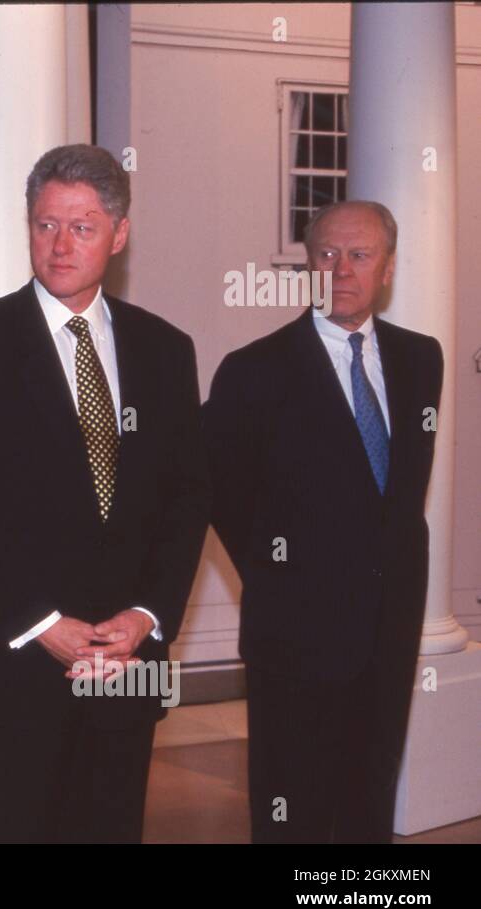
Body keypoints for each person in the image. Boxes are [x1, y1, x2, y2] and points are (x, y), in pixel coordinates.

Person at [0, 144, 211, 843]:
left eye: (81, 226)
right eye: (45, 224)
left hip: (124, 669)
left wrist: (147, 615)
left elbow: (186, 498)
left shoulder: (165, 350)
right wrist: (40, 621)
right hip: (13, 661)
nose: (59, 244)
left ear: (119, 233)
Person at [203, 200, 442, 843]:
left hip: (389, 630)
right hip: (295, 635)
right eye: (327, 255)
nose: (341, 269)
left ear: (387, 268)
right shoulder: (254, 370)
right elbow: (223, 494)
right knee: (292, 808)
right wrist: (284, 572)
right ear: (307, 266)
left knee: (370, 801)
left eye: (360, 255)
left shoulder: (423, 361)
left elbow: (398, 497)